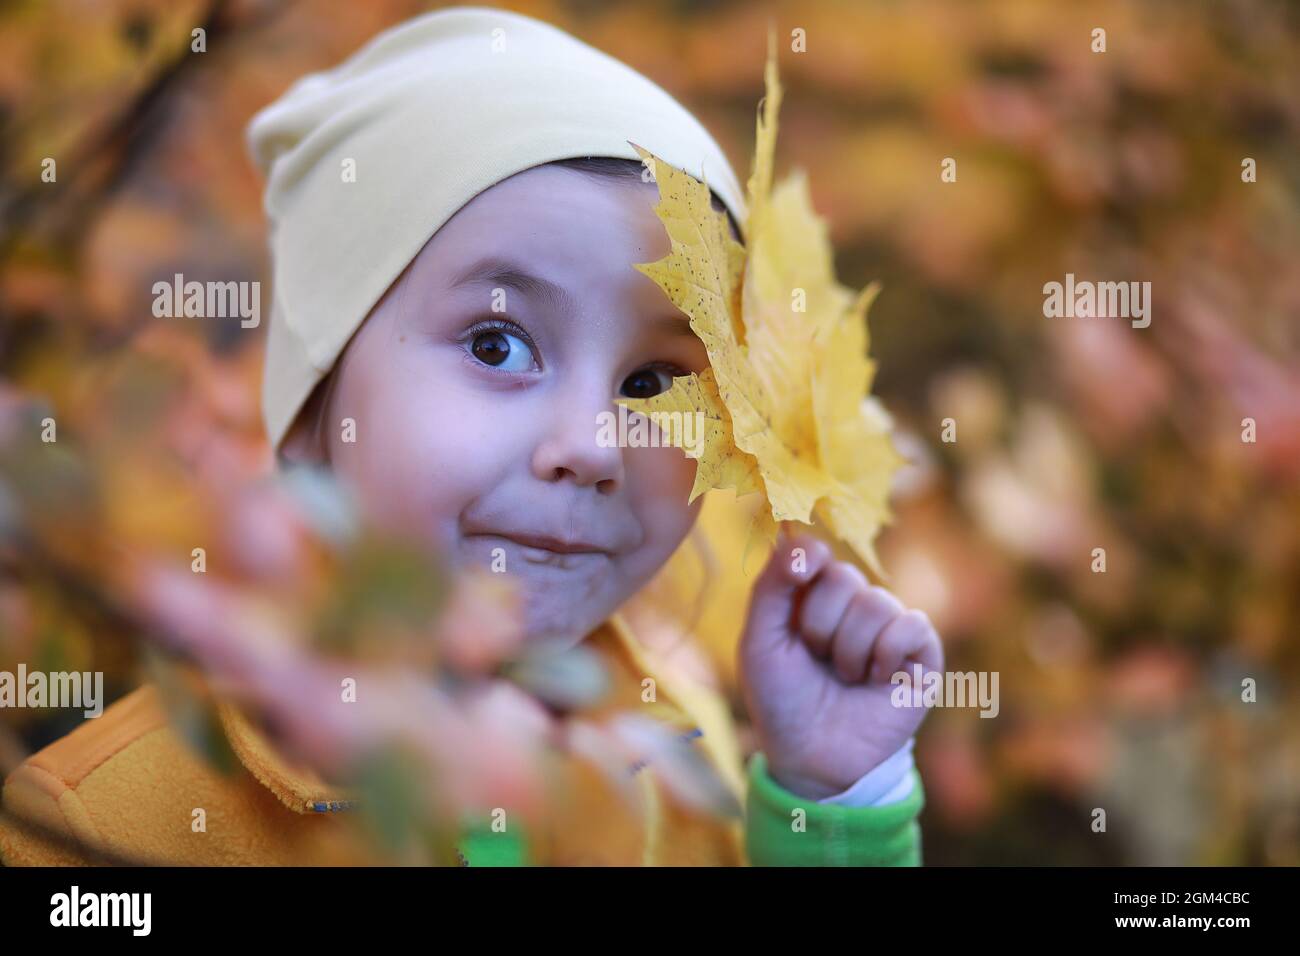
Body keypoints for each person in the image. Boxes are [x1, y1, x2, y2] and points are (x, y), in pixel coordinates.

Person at [0, 6, 942, 867]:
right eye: (498, 343)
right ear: (318, 394)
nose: (595, 445)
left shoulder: (672, 734)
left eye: (654, 382)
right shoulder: (98, 826)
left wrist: (830, 801)